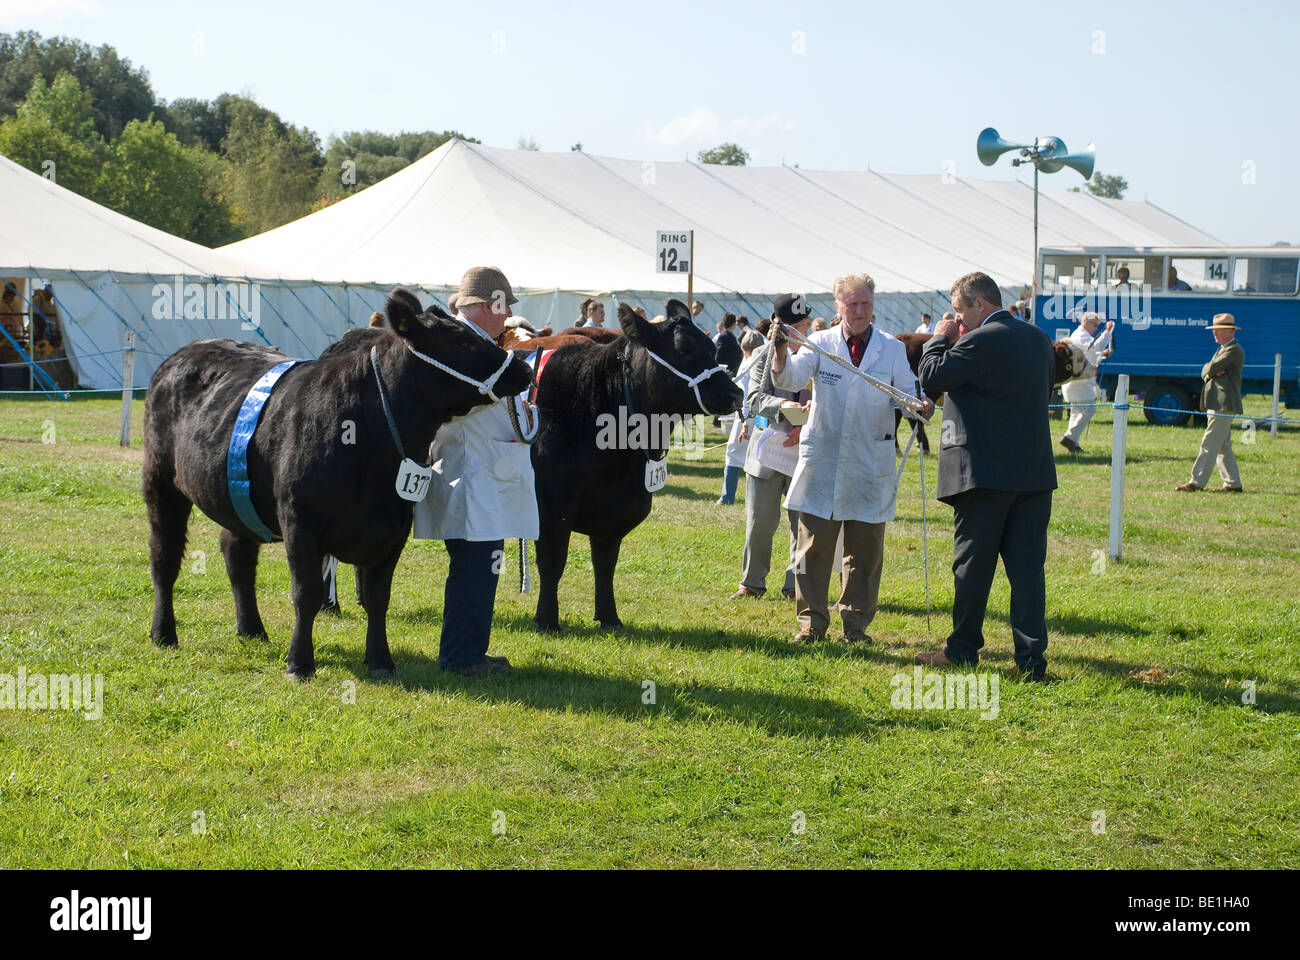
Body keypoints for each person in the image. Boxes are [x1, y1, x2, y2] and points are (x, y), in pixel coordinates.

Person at [770, 274, 932, 644]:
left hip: (869, 461)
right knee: (812, 550)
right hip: (823, 459)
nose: (860, 311)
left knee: (864, 553)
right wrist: (780, 350)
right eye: (853, 304)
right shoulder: (820, 343)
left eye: (866, 304)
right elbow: (789, 376)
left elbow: (906, 393)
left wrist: (919, 405)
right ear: (838, 307)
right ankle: (811, 624)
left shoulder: (890, 349)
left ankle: (855, 626)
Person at [914, 272, 1057, 680]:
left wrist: (938, 337)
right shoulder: (1037, 339)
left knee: (972, 569)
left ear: (980, 304)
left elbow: (933, 377)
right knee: (1028, 571)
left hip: (983, 475)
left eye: (959, 311)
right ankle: (1031, 662)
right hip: (1032, 475)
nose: (957, 321)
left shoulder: (980, 339)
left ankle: (961, 649)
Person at [411, 266, 539, 677]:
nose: (506, 317)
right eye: (503, 308)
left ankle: (471, 651)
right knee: (474, 572)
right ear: (488, 305)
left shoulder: (479, 343)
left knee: (481, 570)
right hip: (474, 476)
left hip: (482, 474)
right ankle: (460, 657)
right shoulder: (468, 348)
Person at [731, 295, 812, 600]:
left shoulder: (817, 354)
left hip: (804, 450)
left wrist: (805, 423)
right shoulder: (763, 356)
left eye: (804, 323)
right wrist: (786, 409)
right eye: (795, 326)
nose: (802, 330)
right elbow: (753, 398)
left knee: (803, 524)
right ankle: (752, 583)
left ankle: (798, 586)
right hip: (768, 449)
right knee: (760, 523)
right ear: (780, 327)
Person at [1176, 313, 1244, 493]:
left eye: (1219, 331)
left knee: (1209, 442)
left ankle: (1197, 482)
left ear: (1230, 331)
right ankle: (1233, 483)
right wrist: (1210, 370)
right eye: (1214, 330)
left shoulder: (1233, 350)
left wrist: (1210, 369)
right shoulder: (1223, 349)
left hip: (1224, 403)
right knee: (1223, 445)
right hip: (1217, 403)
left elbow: (1211, 368)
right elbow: (1207, 370)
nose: (1215, 334)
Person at [717, 330, 765, 505]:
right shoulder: (765, 361)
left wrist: (746, 424)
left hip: (747, 415)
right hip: (762, 417)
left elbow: (746, 397)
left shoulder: (749, 365)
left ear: (745, 349)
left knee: (733, 453)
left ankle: (727, 497)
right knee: (764, 455)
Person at [1059, 311, 1114, 454]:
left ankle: (1073, 443)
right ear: (1086, 322)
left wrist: (1102, 354)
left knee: (1076, 412)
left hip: (1078, 379)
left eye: (1098, 325)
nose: (1096, 328)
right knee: (1090, 408)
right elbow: (1095, 347)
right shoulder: (1080, 335)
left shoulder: (1082, 336)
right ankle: (1070, 437)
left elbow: (1089, 353)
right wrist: (1107, 331)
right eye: (1095, 324)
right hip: (1079, 380)